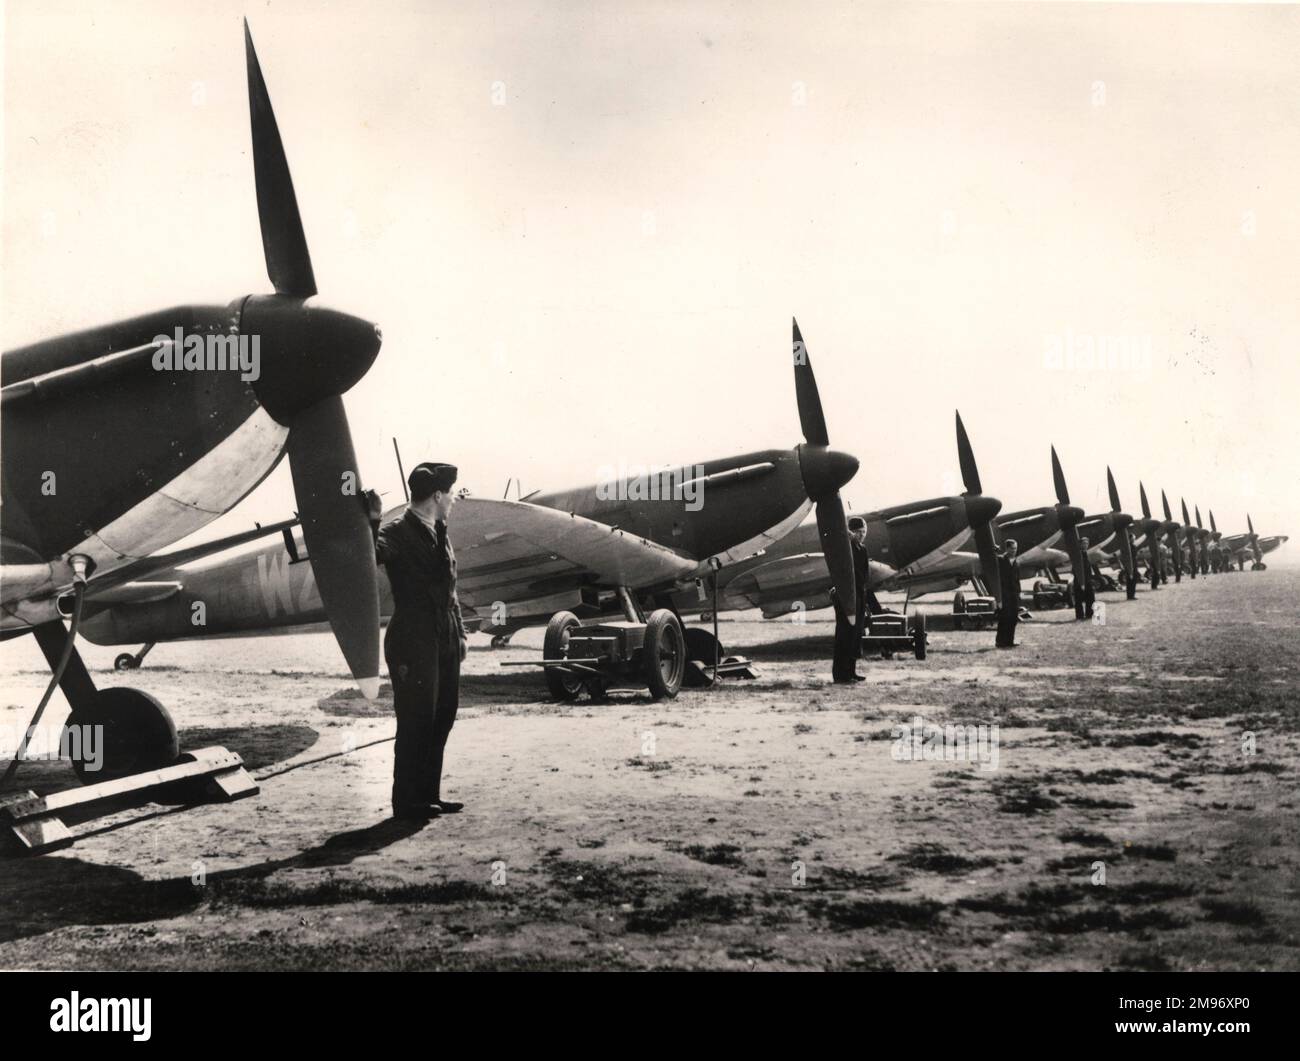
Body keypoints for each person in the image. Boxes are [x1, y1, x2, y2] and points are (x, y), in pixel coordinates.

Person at [367, 462, 467, 820]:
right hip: (413, 638)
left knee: (443, 714)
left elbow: (449, 588)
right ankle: (407, 802)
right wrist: (371, 521)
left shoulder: (439, 529)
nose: (454, 499)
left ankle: (429, 794)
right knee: (416, 719)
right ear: (437, 496)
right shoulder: (396, 532)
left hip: (444, 637)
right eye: (451, 493)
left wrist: (460, 632)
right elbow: (370, 555)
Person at [831, 516, 872, 683]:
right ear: (851, 532)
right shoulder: (845, 548)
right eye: (857, 532)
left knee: (856, 635)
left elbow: (865, 576)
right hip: (847, 596)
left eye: (863, 532)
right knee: (844, 634)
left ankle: (851, 671)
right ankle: (840, 674)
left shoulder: (862, 549)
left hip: (860, 596)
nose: (861, 535)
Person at [995, 539, 1021, 649]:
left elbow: (1017, 579)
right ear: (1007, 548)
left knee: (1013, 618)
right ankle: (1000, 642)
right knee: (1004, 618)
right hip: (1004, 594)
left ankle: (1010, 641)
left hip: (1014, 595)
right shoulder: (1000, 560)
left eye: (1015, 548)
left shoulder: (1017, 562)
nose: (1014, 551)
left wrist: (1019, 593)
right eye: (1012, 549)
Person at [1077, 536, 1095, 619]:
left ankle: (1089, 614)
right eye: (1084, 543)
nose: (1085, 545)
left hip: (1088, 580)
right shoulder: (1078, 555)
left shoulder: (1086, 553)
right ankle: (1080, 615)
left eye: (1087, 543)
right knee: (1079, 598)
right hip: (1079, 580)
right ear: (1080, 544)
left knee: (1090, 597)